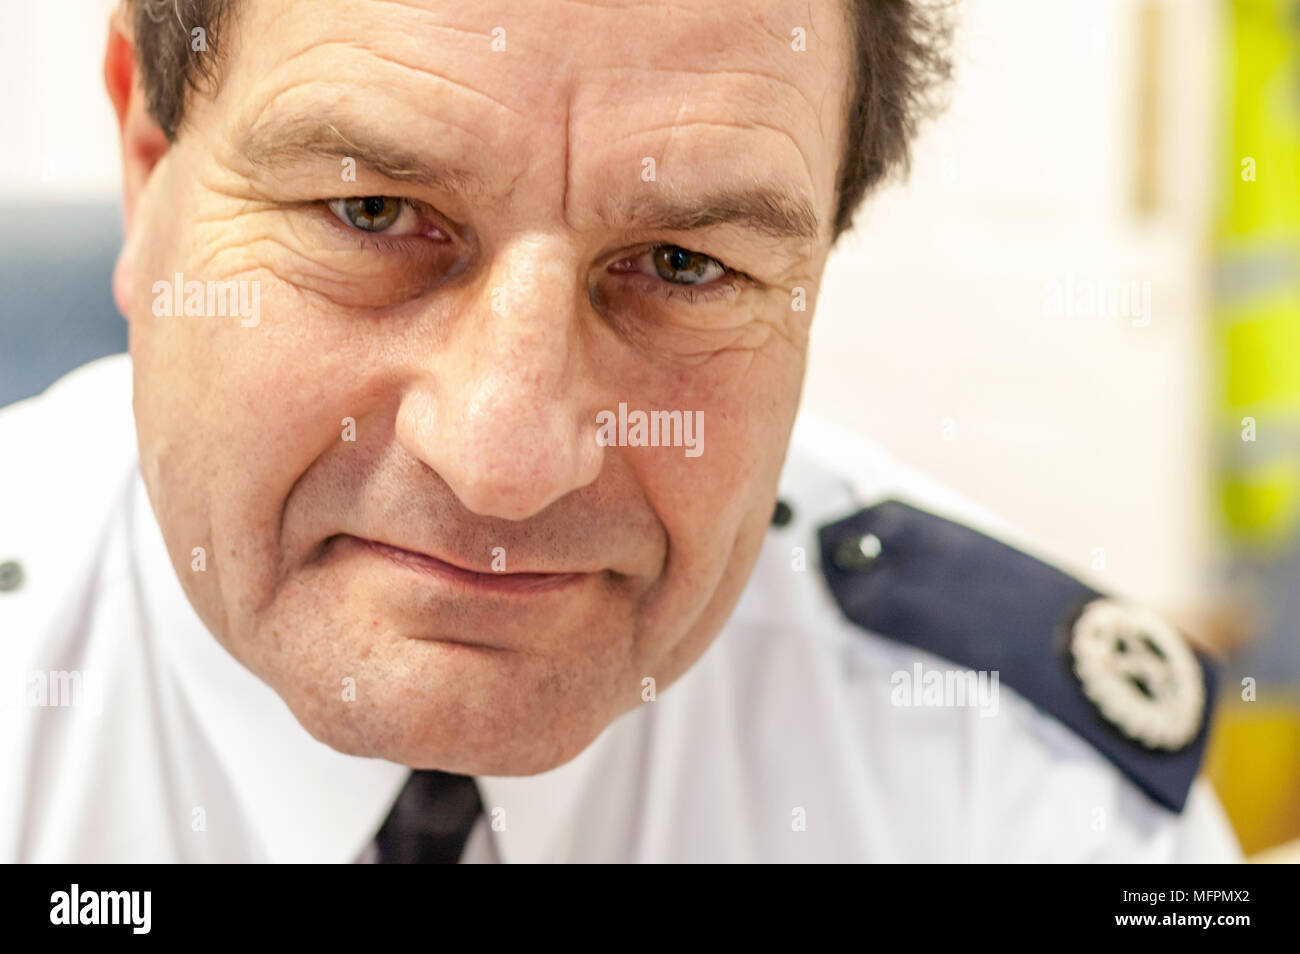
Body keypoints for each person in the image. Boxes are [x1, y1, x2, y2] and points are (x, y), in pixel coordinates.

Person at [0, 0, 1240, 862]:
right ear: (148, 159)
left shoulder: (1020, 794)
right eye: (371, 210)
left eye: (680, 263)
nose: (505, 460)